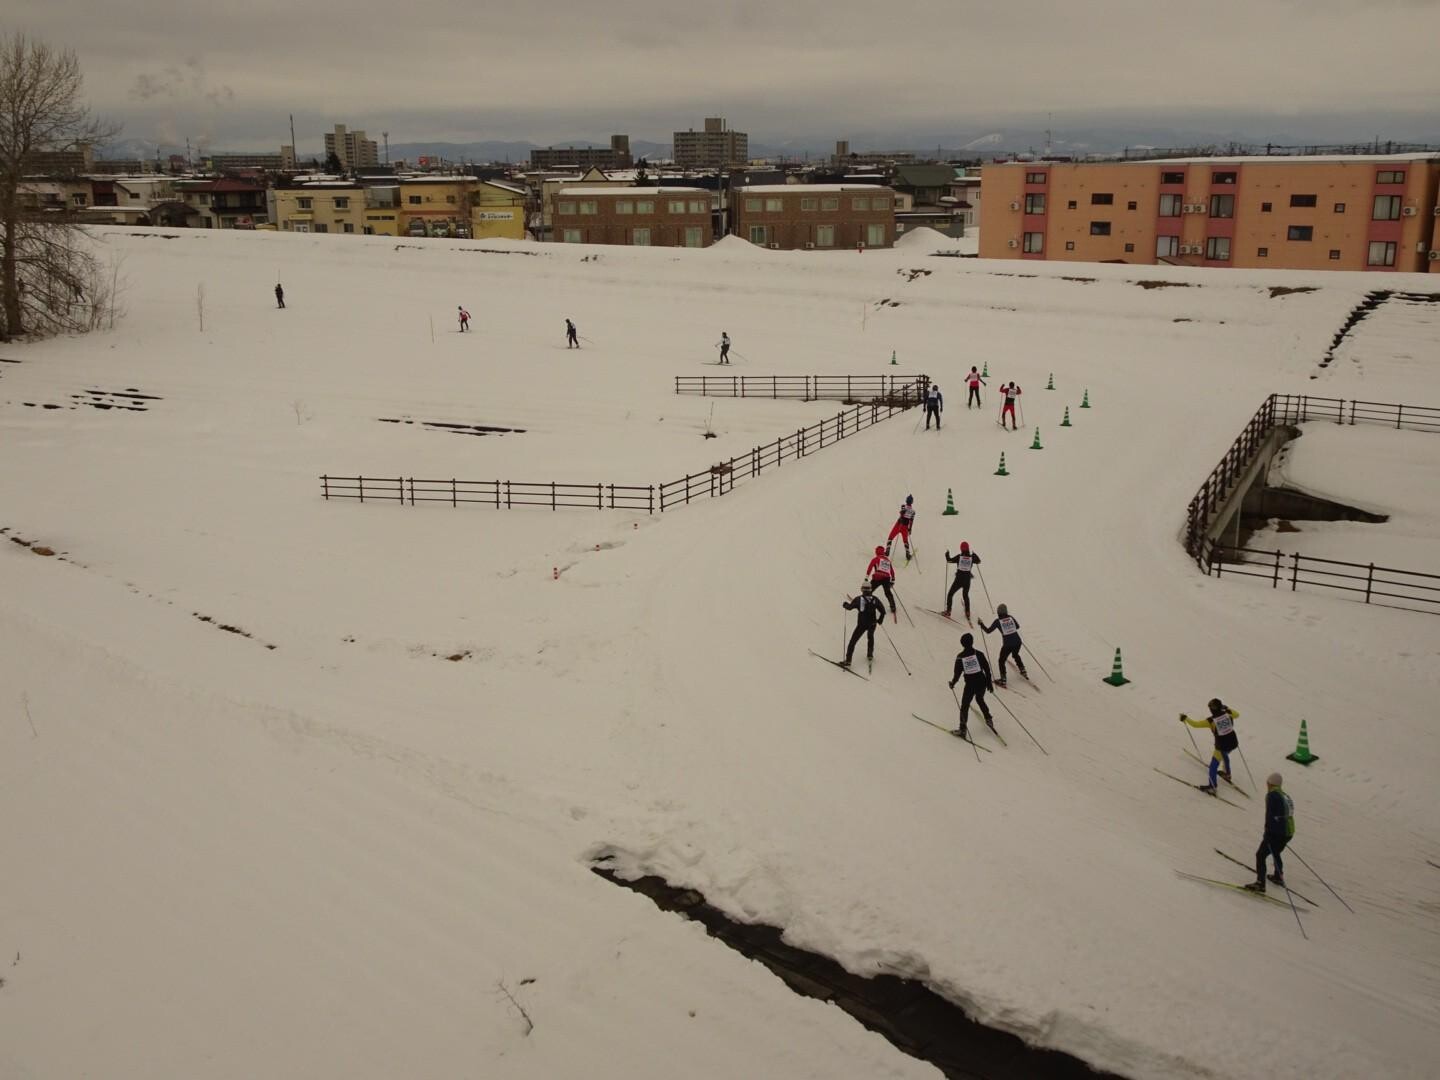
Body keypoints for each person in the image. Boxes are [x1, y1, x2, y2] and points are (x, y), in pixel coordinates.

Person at [1245, 773, 1295, 893]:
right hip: (1289, 832)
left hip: (1276, 832)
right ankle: (1278, 876)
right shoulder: (1285, 795)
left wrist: (1268, 832)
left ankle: (1260, 883)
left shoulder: (1272, 795)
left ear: (1270, 783)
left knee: (1261, 855)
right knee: (1276, 851)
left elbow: (1270, 816)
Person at [1181, 698, 1240, 794]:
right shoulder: (1228, 714)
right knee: (1225, 755)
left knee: (1213, 766)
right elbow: (1237, 715)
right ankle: (1227, 774)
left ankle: (1212, 787)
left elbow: (1196, 724)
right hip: (1233, 742)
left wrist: (1185, 718)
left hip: (1221, 745)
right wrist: (1227, 708)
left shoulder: (1211, 721)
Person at [947, 632, 994, 740]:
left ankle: (962, 730)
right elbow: (987, 669)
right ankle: (988, 718)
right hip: (982, 682)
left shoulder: (960, 657)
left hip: (970, 685)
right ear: (972, 642)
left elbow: (957, 673)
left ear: (962, 644)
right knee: (979, 698)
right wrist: (989, 682)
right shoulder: (979, 654)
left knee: (965, 706)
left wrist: (953, 683)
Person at [840, 582, 886, 668]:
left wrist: (845, 605)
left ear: (862, 589)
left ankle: (848, 661)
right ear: (870, 589)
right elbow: (883, 611)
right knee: (870, 636)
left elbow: (849, 608)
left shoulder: (858, 599)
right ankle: (870, 654)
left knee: (853, 642)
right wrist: (880, 620)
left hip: (862, 624)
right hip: (872, 623)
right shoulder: (875, 599)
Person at [980, 603, 1027, 684]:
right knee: (1015, 654)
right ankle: (1022, 669)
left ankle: (1003, 679)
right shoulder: (1010, 617)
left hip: (1008, 645)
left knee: (1001, 660)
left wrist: (981, 624)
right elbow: (1017, 626)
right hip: (1018, 642)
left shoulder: (997, 621)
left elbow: (988, 631)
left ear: (998, 612)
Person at [944, 542, 981, 620]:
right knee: (965, 595)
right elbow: (979, 561)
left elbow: (949, 560)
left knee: (950, 594)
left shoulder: (959, 557)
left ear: (961, 548)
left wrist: (947, 554)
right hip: (967, 580)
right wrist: (974, 554)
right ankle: (968, 612)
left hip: (959, 580)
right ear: (968, 548)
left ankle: (948, 611)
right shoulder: (971, 558)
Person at [865, 545, 897, 616]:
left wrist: (867, 576)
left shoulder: (876, 559)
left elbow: (870, 567)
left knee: (869, 590)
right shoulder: (887, 560)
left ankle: (865, 602)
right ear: (883, 552)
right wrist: (893, 579)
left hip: (877, 577)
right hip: (886, 578)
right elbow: (891, 570)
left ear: (876, 552)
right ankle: (893, 606)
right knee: (887, 592)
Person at [886, 495, 916, 560]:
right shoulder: (913, 512)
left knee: (891, 537)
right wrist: (910, 529)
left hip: (899, 524)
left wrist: (902, 514)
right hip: (905, 526)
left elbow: (901, 513)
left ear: (906, 500)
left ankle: (887, 550)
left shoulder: (903, 506)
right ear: (912, 502)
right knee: (905, 540)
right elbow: (911, 521)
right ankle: (907, 554)